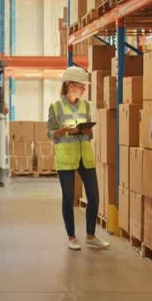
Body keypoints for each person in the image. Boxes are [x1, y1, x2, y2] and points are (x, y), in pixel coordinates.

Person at [48, 66, 109, 251]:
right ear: (70, 85)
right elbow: (51, 134)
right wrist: (65, 130)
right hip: (66, 158)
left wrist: (87, 131)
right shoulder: (56, 106)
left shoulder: (87, 105)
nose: (84, 89)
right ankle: (72, 237)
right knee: (68, 199)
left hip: (85, 157)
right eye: (81, 86)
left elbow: (89, 135)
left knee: (94, 197)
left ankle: (90, 235)